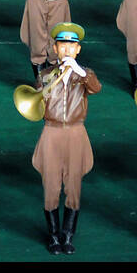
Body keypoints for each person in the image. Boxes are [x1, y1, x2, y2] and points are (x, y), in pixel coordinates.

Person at [28, 22, 100, 254]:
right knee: (51, 185)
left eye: (72, 46)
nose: (67, 50)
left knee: (73, 185)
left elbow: (95, 88)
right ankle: (53, 235)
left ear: (78, 50)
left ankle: (67, 235)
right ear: (55, 49)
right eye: (62, 45)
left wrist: (77, 71)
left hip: (76, 131)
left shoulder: (85, 75)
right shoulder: (46, 74)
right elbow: (38, 100)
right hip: (52, 130)